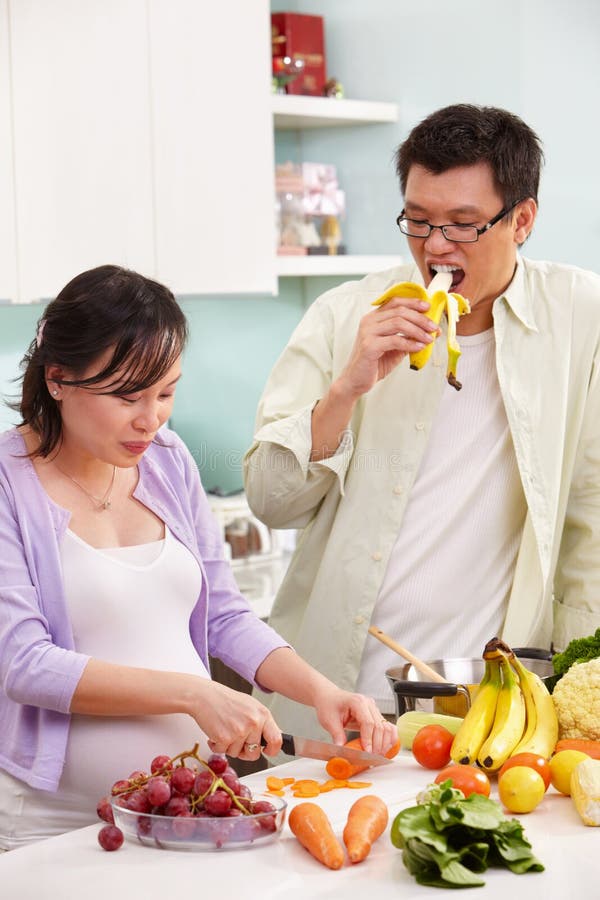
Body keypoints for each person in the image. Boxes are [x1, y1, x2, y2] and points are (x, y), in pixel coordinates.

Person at [0, 265, 397, 850]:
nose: (151, 418)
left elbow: (225, 617)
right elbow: (25, 664)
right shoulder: (9, 482)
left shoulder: (166, 457)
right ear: (58, 378)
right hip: (54, 823)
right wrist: (195, 693)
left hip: (184, 809)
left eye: (166, 393)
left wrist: (321, 693)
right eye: (128, 396)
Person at [243, 103, 600, 739]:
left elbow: (590, 510)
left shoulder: (580, 315)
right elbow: (271, 500)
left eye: (463, 225)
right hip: (340, 694)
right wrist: (348, 387)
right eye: (418, 220)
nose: (434, 246)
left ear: (522, 220)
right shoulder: (342, 315)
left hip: (493, 706)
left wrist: (577, 679)